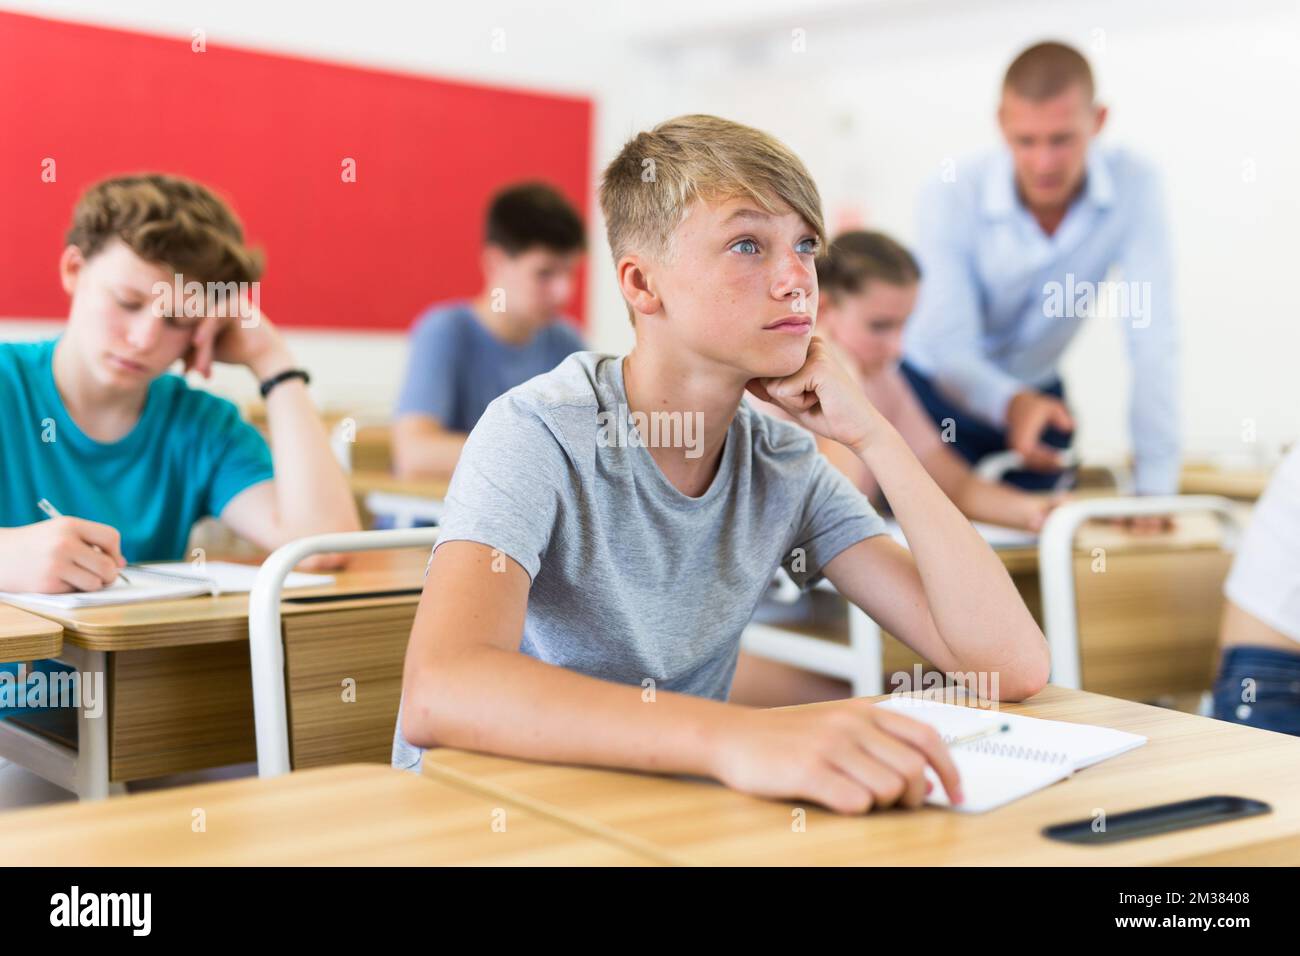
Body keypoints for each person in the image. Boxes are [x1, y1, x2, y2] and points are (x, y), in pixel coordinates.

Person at [395, 115, 1050, 815]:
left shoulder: (781, 461)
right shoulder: (538, 430)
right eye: (748, 245)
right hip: (489, 814)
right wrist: (735, 739)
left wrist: (875, 437)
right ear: (644, 285)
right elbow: (441, 691)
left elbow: (1007, 667)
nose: (798, 280)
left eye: (805, 246)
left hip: (659, 811)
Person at [902, 40, 1178, 517]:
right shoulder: (949, 193)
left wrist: (1155, 489)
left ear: (1099, 122)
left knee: (1046, 544)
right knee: (926, 539)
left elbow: (1153, 340)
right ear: (1001, 124)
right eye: (1026, 141)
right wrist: (1011, 404)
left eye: (1062, 139)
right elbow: (949, 346)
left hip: (1039, 400)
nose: (1044, 163)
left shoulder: (1136, 184)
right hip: (934, 395)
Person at [391, 182, 586, 479]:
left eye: (569, 272)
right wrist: (541, 451)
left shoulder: (566, 343)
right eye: (544, 273)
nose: (564, 292)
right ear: (495, 263)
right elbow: (416, 455)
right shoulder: (444, 332)